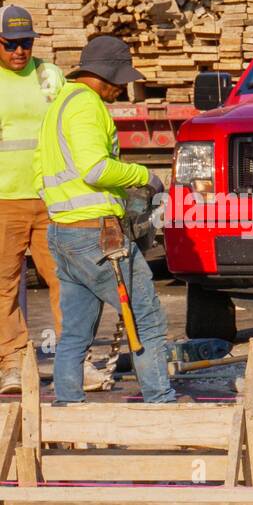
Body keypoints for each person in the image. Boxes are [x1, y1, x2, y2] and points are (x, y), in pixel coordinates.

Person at [36, 35, 173, 404]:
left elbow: (45, 172)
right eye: (122, 81)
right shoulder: (88, 106)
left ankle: (67, 408)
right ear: (106, 76)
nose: (124, 89)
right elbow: (95, 169)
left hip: (63, 233)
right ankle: (163, 405)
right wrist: (144, 176)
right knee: (145, 320)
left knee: (75, 333)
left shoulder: (60, 104)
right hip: (98, 238)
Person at [0, 5, 63, 394]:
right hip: (4, 199)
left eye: (26, 43)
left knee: (65, 281)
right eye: (10, 44)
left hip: (51, 198)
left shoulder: (49, 75)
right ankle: (13, 361)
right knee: (4, 286)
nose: (20, 52)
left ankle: (72, 357)